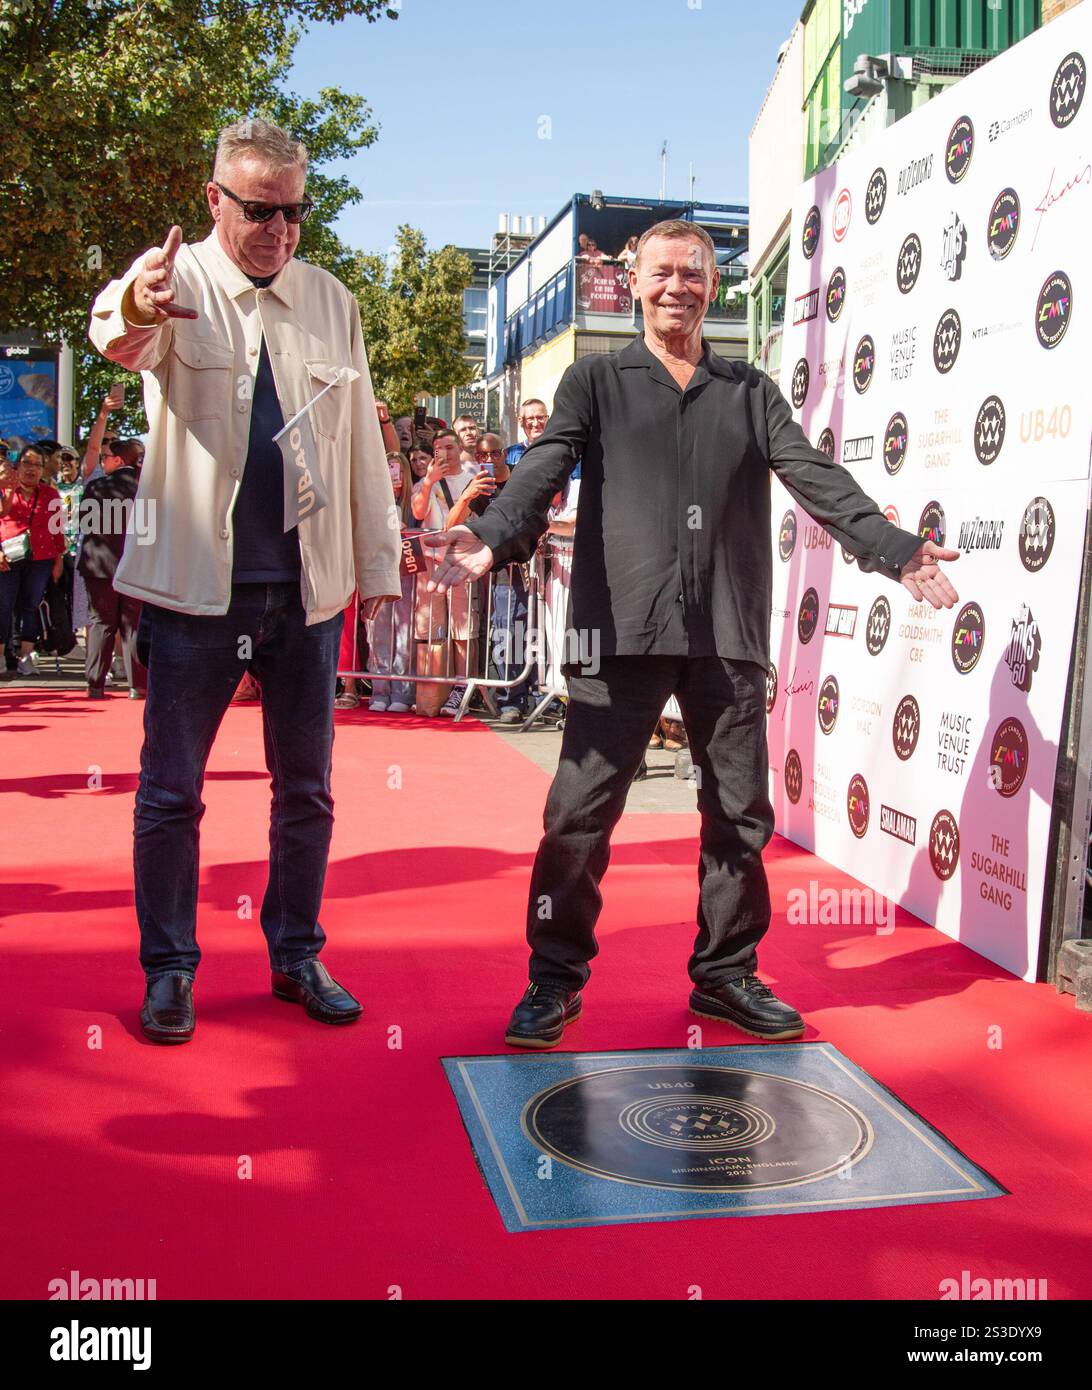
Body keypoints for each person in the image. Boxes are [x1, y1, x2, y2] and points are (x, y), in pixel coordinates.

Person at [422, 218, 960, 1049]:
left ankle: (726, 977)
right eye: (664, 272)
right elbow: (543, 467)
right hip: (618, 632)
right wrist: (492, 534)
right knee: (578, 818)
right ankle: (554, 982)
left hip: (727, 630)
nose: (678, 286)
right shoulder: (593, 382)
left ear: (715, 288)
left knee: (738, 815)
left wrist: (893, 549)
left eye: (695, 274)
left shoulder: (750, 391)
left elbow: (815, 478)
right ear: (634, 281)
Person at [88, 117, 402, 1045]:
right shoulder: (173, 281)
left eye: (295, 211)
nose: (279, 227)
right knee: (171, 790)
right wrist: (138, 301)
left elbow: (360, 451)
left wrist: (376, 562)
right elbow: (117, 335)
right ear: (215, 199)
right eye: (261, 209)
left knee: (305, 788)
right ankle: (170, 970)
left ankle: (296, 952)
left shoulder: (332, 299)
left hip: (304, 592)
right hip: (198, 594)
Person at [77, 438, 148, 700]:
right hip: (135, 565)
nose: (103, 461)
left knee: (101, 623)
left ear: (118, 460)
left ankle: (95, 684)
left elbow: (84, 522)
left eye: (106, 457)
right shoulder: (146, 487)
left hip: (99, 564)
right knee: (133, 624)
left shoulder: (96, 486)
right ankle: (137, 685)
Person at [0, 445, 65, 675]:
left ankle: (26, 657)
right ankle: (0, 657)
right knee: (3, 606)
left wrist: (59, 560)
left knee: (31, 606)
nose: (32, 469)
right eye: (27, 463)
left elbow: (58, 531)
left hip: (41, 558)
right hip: (7, 558)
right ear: (17, 466)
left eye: (37, 465)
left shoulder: (50, 494)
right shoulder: (5, 490)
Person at [504, 399, 549, 470]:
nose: (536, 424)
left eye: (540, 418)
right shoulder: (509, 455)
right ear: (521, 421)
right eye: (530, 418)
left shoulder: (560, 451)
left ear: (547, 419)